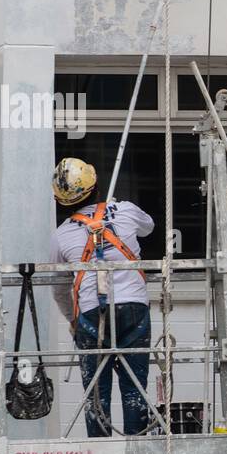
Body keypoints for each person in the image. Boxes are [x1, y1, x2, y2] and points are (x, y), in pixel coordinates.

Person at [49, 157, 157, 437]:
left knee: (97, 393)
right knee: (134, 388)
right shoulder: (126, 210)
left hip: (90, 315)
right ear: (95, 187)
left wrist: (73, 321)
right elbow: (149, 228)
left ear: (61, 201)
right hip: (133, 306)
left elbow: (59, 287)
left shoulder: (61, 236)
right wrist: (116, 214)